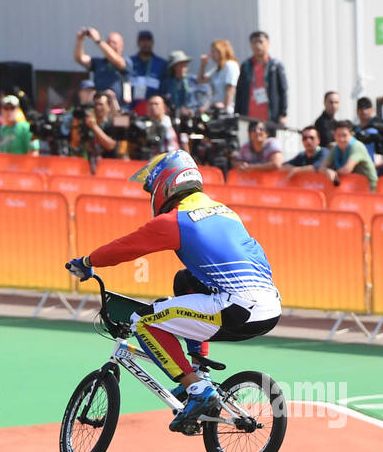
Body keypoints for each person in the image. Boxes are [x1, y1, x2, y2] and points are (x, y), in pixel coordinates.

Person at [66, 150, 281, 432]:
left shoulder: (176, 220)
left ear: (164, 183)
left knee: (143, 322)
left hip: (236, 308)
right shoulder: (227, 212)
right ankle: (199, 371)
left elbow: (127, 247)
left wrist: (87, 262)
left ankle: (197, 389)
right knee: (185, 280)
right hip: (270, 308)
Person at [235, 31, 288, 127]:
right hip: (249, 116)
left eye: (260, 42)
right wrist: (237, 113)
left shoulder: (275, 66)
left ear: (267, 43)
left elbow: (283, 91)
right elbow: (239, 90)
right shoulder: (246, 65)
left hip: (270, 116)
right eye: (254, 42)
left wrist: (283, 114)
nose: (257, 45)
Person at [74, 27, 128, 109]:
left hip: (119, 109)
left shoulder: (127, 62)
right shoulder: (99, 62)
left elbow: (117, 61)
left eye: (114, 42)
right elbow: (80, 58)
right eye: (108, 42)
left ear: (122, 46)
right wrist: (80, 40)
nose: (110, 45)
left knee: (120, 121)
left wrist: (98, 41)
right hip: (100, 108)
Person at [324, 120, 377, 191]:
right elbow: (322, 166)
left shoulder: (357, 146)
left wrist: (333, 173)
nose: (341, 139)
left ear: (351, 135)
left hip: (368, 189)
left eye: (344, 135)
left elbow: (347, 169)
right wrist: (327, 171)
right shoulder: (336, 147)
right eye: (338, 135)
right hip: (350, 187)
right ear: (334, 136)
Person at [125, 29, 167, 116]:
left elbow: (164, 87)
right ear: (138, 43)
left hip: (153, 110)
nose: (145, 44)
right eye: (142, 41)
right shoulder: (129, 62)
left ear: (152, 43)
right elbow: (125, 84)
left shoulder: (161, 63)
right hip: (132, 109)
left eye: (148, 40)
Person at [196, 39, 239, 113]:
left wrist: (225, 107)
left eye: (213, 51)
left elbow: (230, 88)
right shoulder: (218, 69)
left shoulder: (230, 65)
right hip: (216, 108)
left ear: (221, 51)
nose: (211, 54)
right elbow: (200, 80)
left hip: (227, 110)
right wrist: (203, 65)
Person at [159, 51, 197, 115]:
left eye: (184, 65)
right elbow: (162, 98)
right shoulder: (166, 83)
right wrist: (166, 108)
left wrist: (192, 110)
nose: (183, 67)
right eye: (180, 65)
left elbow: (205, 96)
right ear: (173, 67)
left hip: (191, 115)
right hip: (172, 116)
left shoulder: (193, 80)